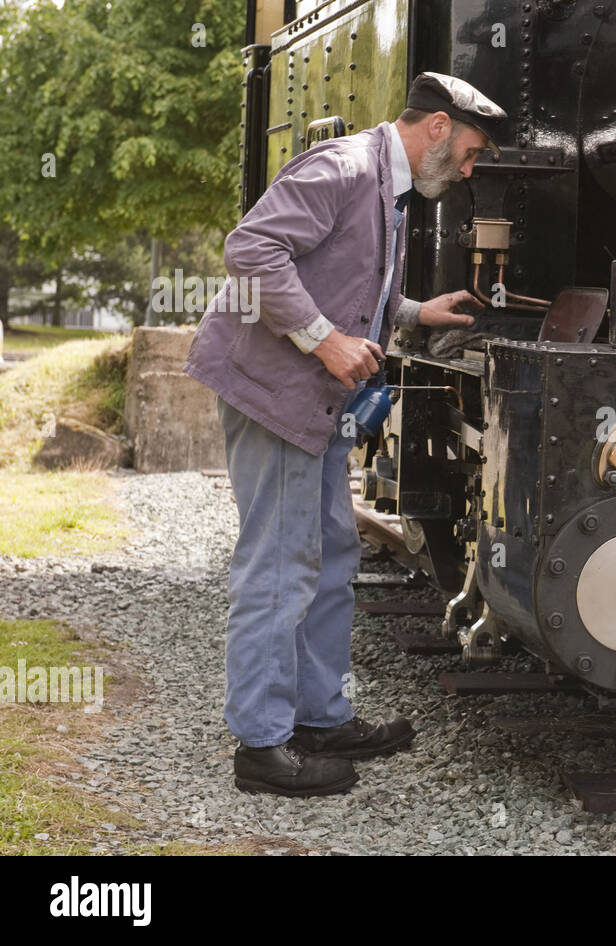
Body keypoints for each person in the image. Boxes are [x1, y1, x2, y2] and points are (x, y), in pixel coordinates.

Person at [184, 73, 506, 796]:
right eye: (471, 152)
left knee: (329, 554)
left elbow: (350, 280)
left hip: (317, 399)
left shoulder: (388, 189)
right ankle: (262, 747)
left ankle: (319, 715)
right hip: (275, 393)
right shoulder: (342, 168)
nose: (470, 169)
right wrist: (324, 339)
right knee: (279, 565)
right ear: (436, 130)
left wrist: (420, 312)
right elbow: (251, 251)